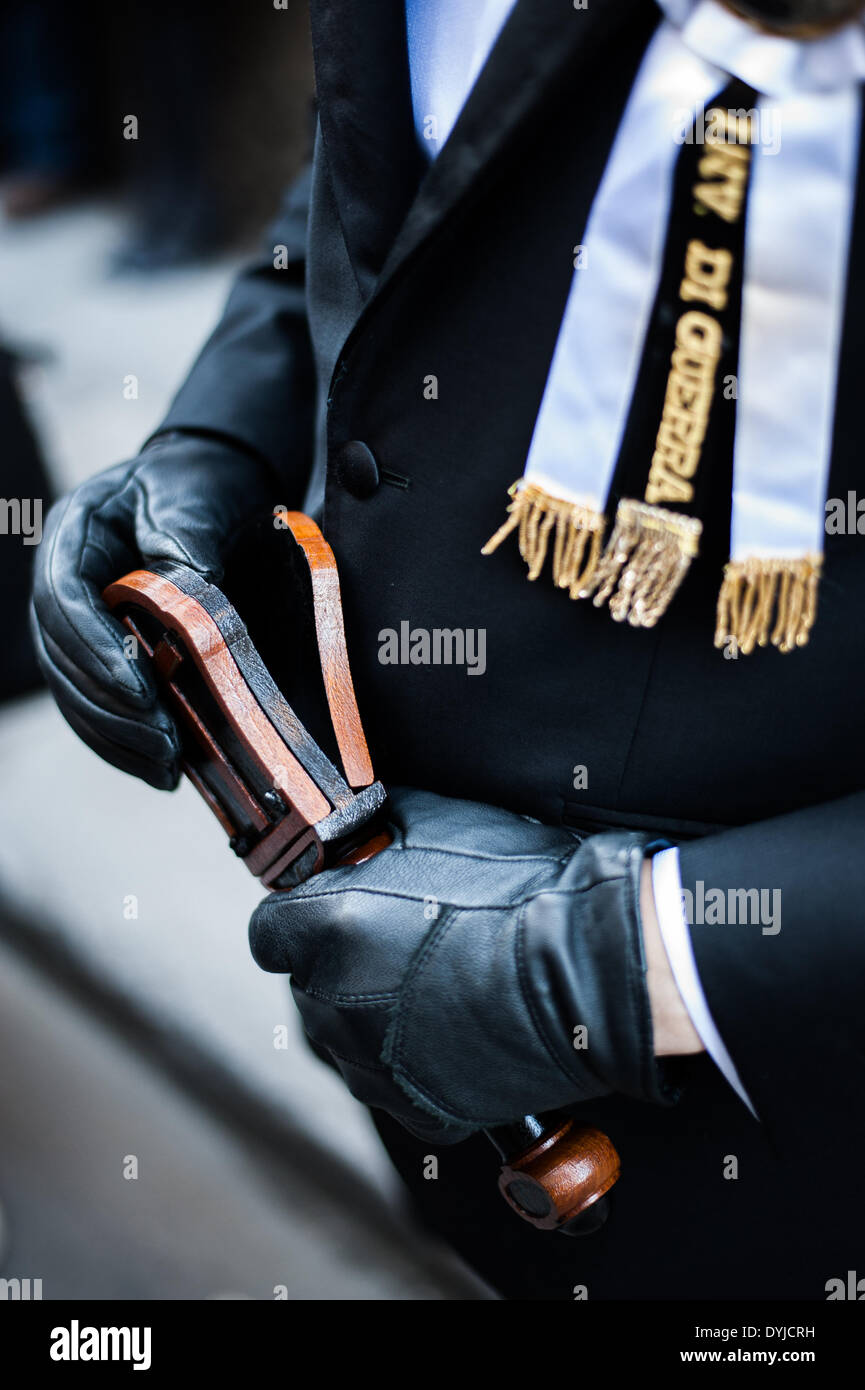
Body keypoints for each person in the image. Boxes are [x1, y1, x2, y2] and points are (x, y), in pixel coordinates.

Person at [31, 0, 865, 1300]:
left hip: (779, 1116)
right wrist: (212, 441)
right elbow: (384, 173)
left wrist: (614, 965)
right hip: (423, 1043)